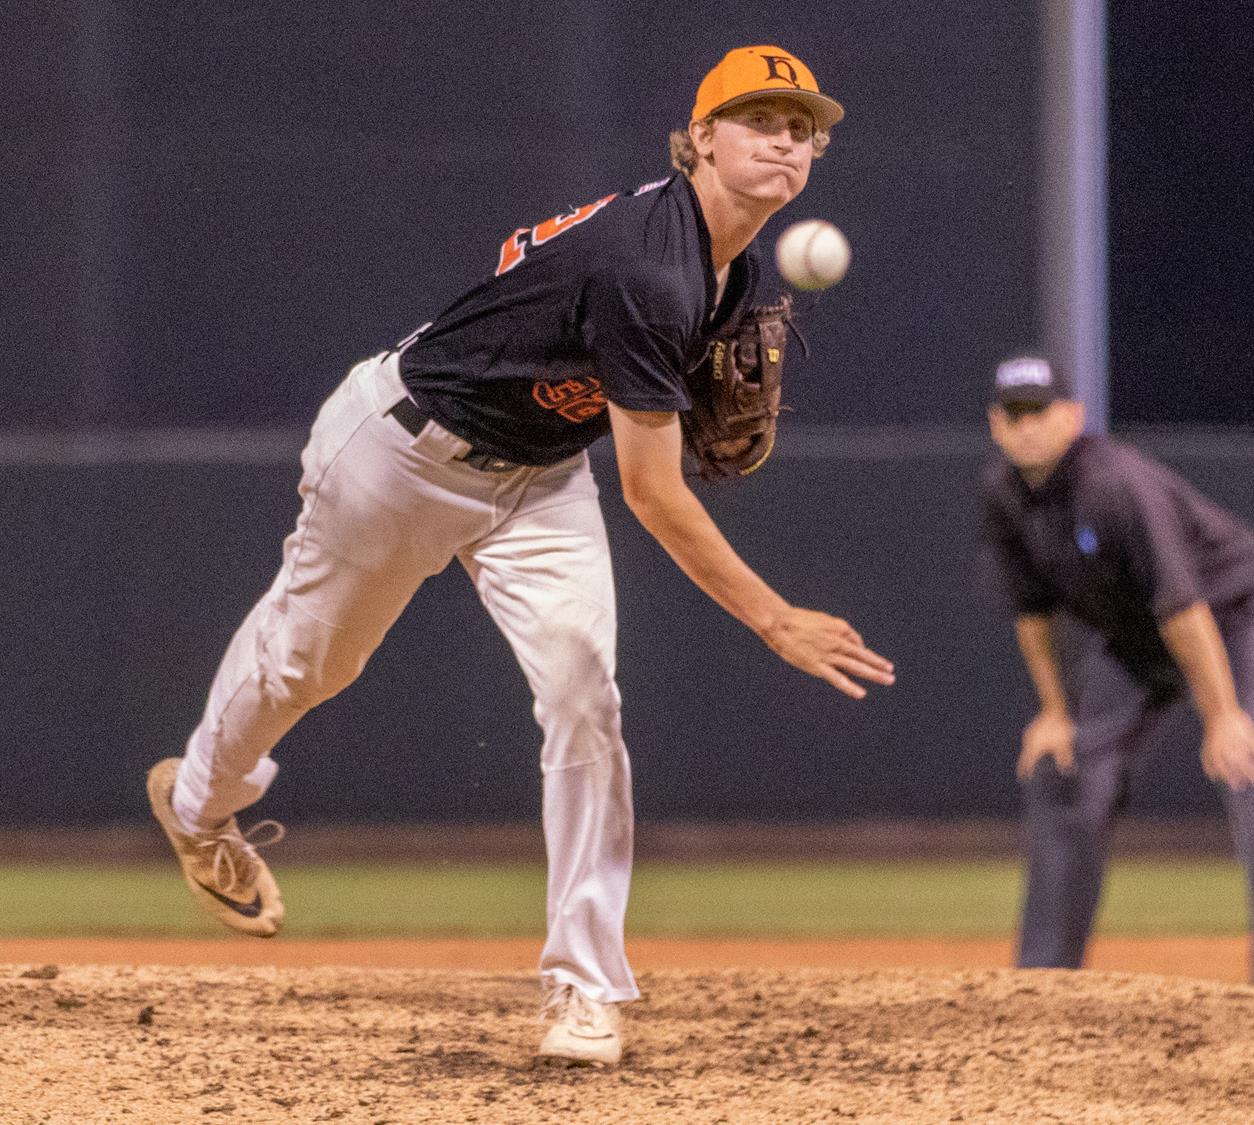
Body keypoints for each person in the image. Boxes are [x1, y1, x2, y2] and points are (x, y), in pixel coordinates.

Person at [145, 45, 894, 1067]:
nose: (784, 139)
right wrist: (773, 615)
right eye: (758, 118)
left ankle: (583, 986)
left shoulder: (729, 268)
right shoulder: (650, 267)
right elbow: (651, 491)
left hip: (537, 475)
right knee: (308, 668)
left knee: (584, 691)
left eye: (801, 126)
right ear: (701, 137)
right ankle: (197, 805)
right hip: (403, 451)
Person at [979, 355, 1254, 991]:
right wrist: (1053, 712)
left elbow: (1184, 609)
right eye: (1012, 415)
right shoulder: (1004, 495)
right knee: (1064, 769)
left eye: (1039, 412)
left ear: (1072, 418)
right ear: (995, 424)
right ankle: (1043, 983)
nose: (1026, 428)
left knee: (1244, 763)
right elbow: (1033, 613)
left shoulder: (1115, 484)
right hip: (1134, 637)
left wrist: (1223, 717)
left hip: (1236, 611)